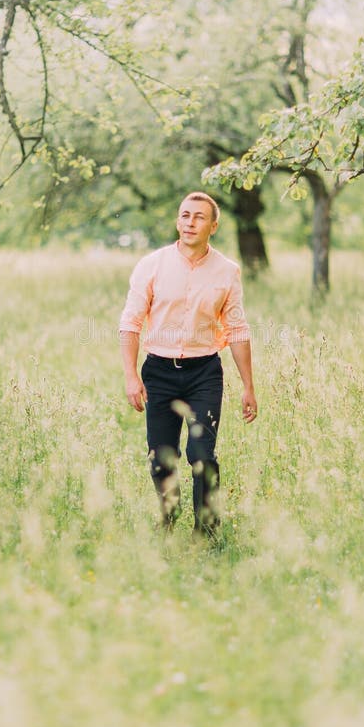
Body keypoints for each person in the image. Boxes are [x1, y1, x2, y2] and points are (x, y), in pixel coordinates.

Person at [119, 191, 258, 536]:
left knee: (202, 455)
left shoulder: (227, 271)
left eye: (198, 217)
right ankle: (168, 515)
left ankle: (206, 531)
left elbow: (237, 329)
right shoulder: (152, 265)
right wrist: (131, 376)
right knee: (161, 456)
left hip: (203, 373)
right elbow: (130, 322)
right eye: (184, 215)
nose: (190, 222)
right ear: (177, 221)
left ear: (213, 225)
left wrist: (249, 387)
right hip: (159, 372)